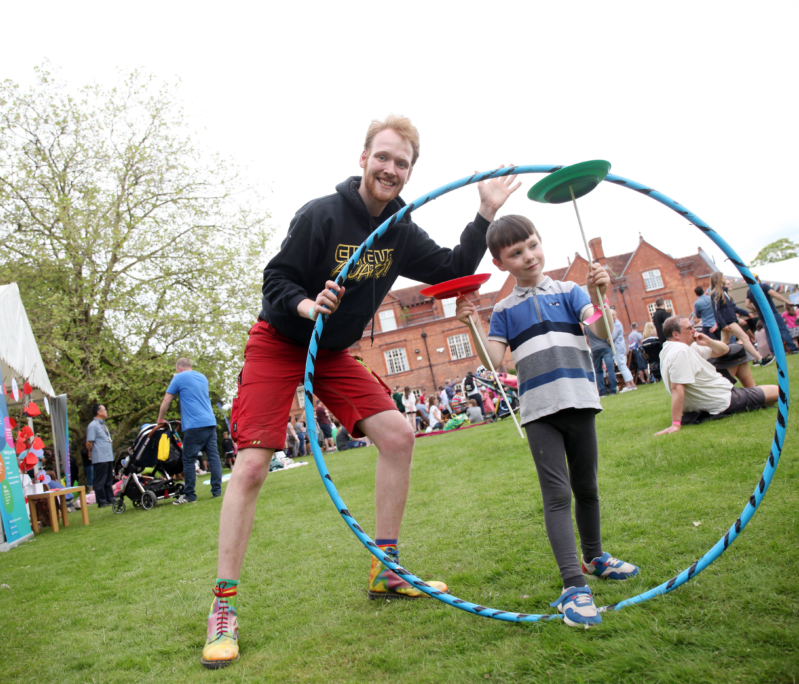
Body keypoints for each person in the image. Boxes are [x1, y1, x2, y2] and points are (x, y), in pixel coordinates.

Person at [202, 114, 520, 668]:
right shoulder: (321, 215)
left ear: (410, 171)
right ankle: (223, 606)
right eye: (383, 157)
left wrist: (485, 212)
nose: (391, 169)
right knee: (252, 466)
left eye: (402, 163)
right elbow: (275, 281)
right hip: (280, 340)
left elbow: (449, 266)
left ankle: (386, 567)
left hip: (330, 353)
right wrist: (308, 303)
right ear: (363, 159)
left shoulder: (398, 228)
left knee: (399, 434)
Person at [456, 214, 639, 629]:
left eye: (532, 245)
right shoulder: (503, 310)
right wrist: (472, 325)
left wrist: (601, 294)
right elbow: (494, 361)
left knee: (587, 486)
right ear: (501, 264)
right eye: (515, 253)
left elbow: (602, 333)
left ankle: (594, 557)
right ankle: (573, 586)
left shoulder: (573, 292)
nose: (528, 256)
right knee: (558, 496)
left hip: (580, 400)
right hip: (540, 412)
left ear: (542, 244)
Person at [655, 316, 778, 434]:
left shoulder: (673, 348)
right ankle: (754, 397)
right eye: (689, 328)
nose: (694, 330)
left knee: (738, 353)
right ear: (676, 334)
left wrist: (709, 342)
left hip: (711, 394)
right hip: (721, 399)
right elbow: (677, 388)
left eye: (693, 326)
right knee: (777, 391)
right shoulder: (680, 351)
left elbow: (724, 351)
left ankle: (752, 392)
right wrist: (676, 423)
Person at [156, 357, 223, 505]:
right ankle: (217, 491)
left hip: (195, 425)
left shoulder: (179, 377)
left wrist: (160, 420)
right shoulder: (202, 377)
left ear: (179, 368)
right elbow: (194, 398)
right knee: (213, 456)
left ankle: (190, 495)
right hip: (210, 422)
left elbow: (167, 400)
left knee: (188, 459)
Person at [710, 271, 766, 365]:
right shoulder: (716, 293)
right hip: (728, 322)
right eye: (723, 276)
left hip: (728, 321)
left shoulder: (724, 292)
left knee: (724, 343)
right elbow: (716, 311)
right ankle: (759, 359)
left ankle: (713, 362)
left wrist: (746, 313)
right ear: (719, 278)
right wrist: (723, 324)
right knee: (744, 338)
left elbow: (733, 307)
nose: (725, 277)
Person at [745, 274, 799, 356]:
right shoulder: (763, 286)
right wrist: (787, 301)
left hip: (762, 315)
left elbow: (747, 305)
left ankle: (774, 352)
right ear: (757, 278)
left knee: (769, 334)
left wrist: (756, 309)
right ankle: (793, 348)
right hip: (772, 312)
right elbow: (775, 294)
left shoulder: (749, 291)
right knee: (783, 330)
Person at [86, 404, 115, 508]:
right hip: (100, 457)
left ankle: (110, 498)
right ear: (98, 412)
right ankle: (101, 501)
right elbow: (89, 442)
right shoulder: (93, 425)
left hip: (108, 456)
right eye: (104, 409)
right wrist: (91, 451)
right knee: (100, 480)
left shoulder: (102, 425)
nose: (106, 411)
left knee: (108, 479)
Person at [585, 326, 616, 398]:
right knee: (610, 369)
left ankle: (602, 392)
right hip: (606, 348)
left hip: (595, 349)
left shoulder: (587, 325)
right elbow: (609, 338)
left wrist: (592, 346)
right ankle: (613, 390)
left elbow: (586, 339)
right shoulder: (601, 322)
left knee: (598, 371)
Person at [611, 310, 637, 392]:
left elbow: (612, 336)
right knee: (623, 366)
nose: (612, 317)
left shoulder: (616, 325)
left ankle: (628, 385)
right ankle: (632, 384)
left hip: (618, 347)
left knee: (622, 366)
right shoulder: (617, 324)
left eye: (613, 315)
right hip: (620, 346)